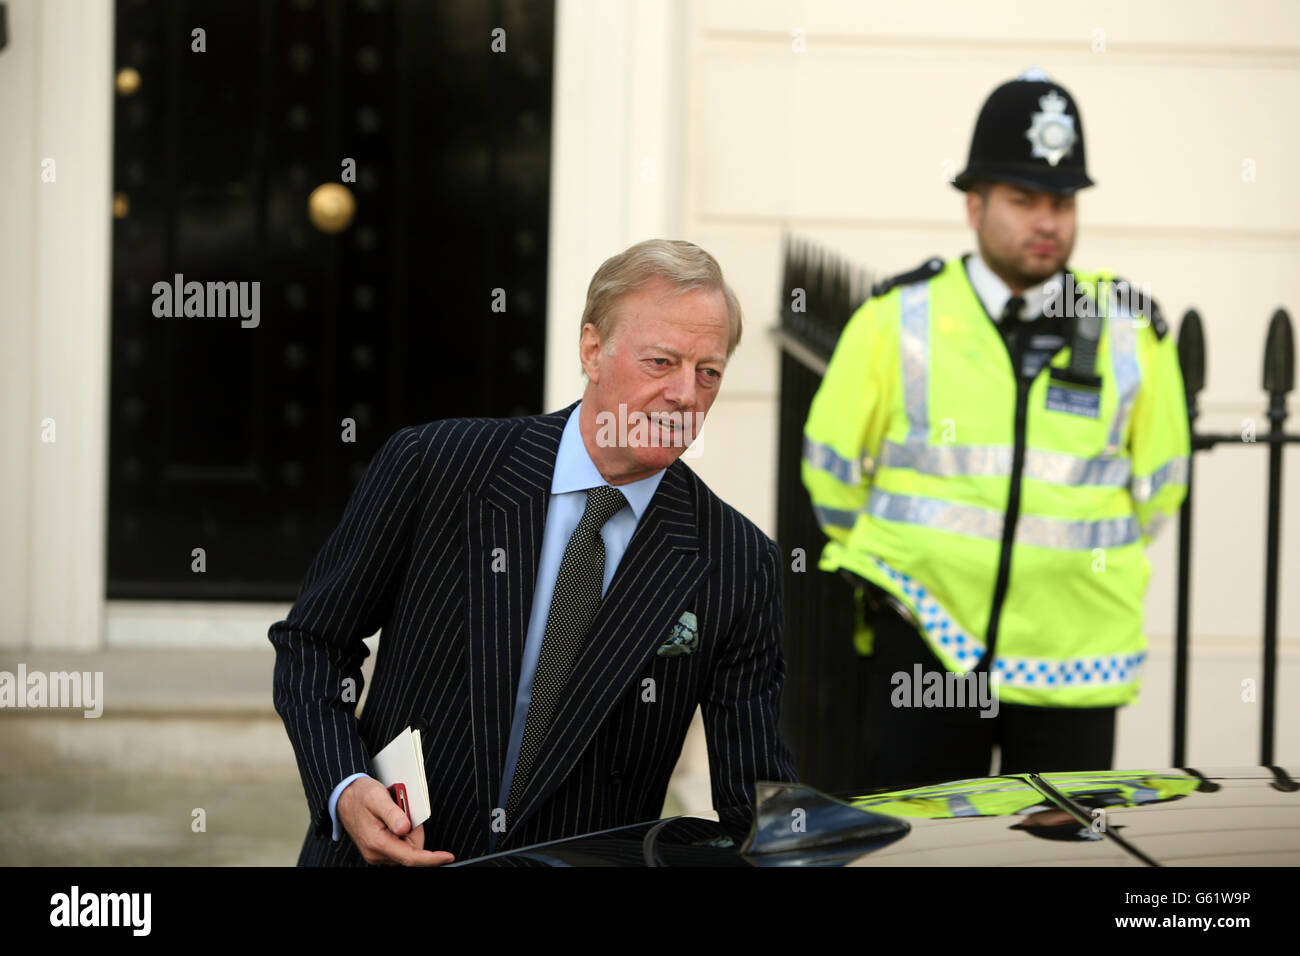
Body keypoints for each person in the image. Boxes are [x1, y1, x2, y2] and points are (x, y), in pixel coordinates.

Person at [271, 238, 798, 865]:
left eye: (708, 371)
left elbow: (754, 791)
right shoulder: (435, 467)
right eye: (661, 362)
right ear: (592, 350)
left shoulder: (738, 561)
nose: (686, 394)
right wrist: (346, 787)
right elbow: (314, 644)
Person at [801, 69, 1190, 790]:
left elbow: (1159, 489)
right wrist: (899, 566)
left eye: (1062, 202)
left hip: (1075, 655)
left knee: (1051, 850)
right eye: (1023, 200)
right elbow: (829, 467)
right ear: (974, 206)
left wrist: (1068, 564)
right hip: (925, 639)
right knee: (913, 846)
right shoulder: (897, 316)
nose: (1047, 221)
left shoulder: (1132, 330)